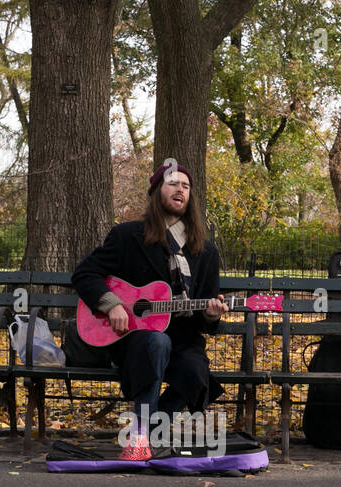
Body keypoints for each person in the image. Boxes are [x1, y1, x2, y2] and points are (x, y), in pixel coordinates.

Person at [71, 163, 227, 460]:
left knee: (196, 371)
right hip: (135, 338)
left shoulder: (206, 251)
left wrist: (212, 314)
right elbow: (84, 274)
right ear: (156, 193)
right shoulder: (128, 236)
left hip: (184, 340)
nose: (180, 189)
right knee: (157, 341)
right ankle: (141, 434)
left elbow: (206, 316)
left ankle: (147, 430)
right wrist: (112, 303)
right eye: (172, 183)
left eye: (185, 185)